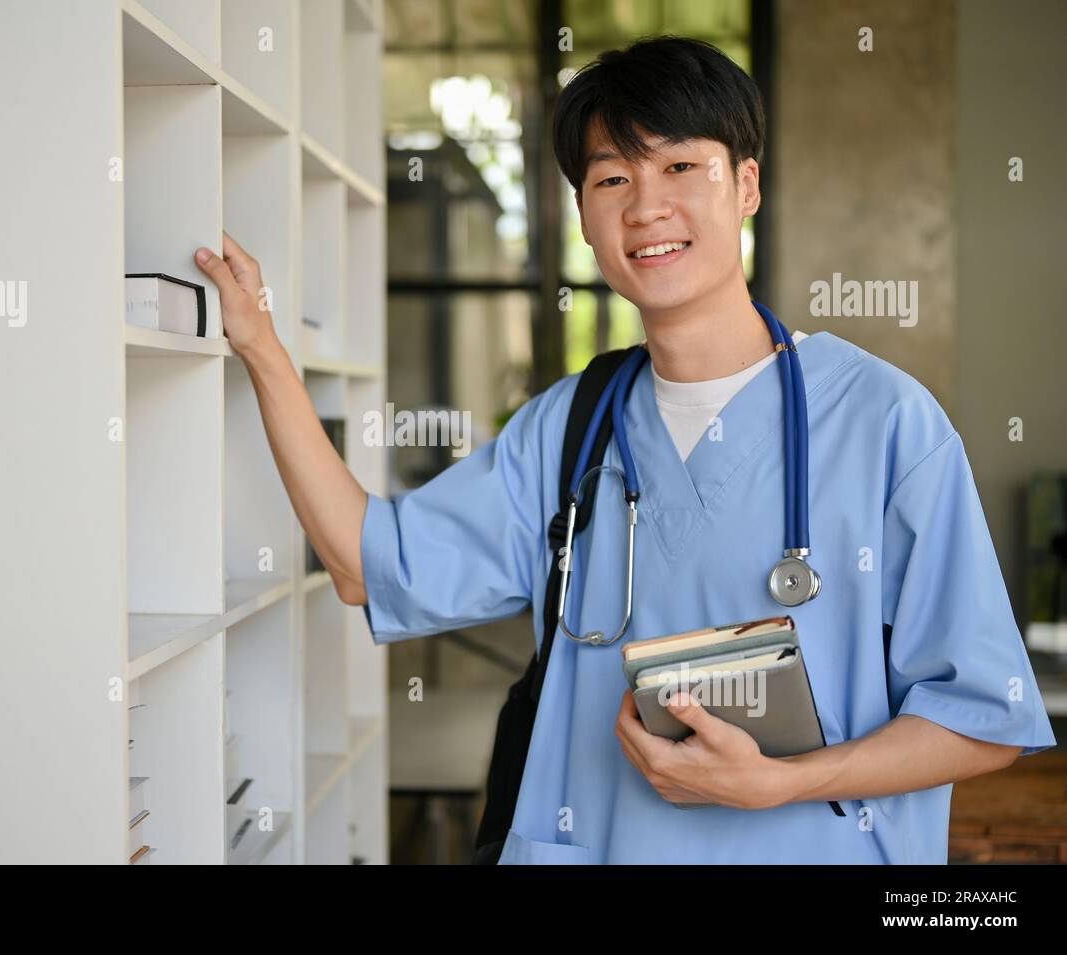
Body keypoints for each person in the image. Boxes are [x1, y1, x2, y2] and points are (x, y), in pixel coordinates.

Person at [194, 36, 1056, 864]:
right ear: (582, 215)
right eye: (613, 178)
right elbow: (364, 566)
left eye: (682, 166)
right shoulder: (570, 425)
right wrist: (266, 354)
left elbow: (983, 717)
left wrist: (782, 781)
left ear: (746, 184)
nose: (647, 207)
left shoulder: (886, 422)